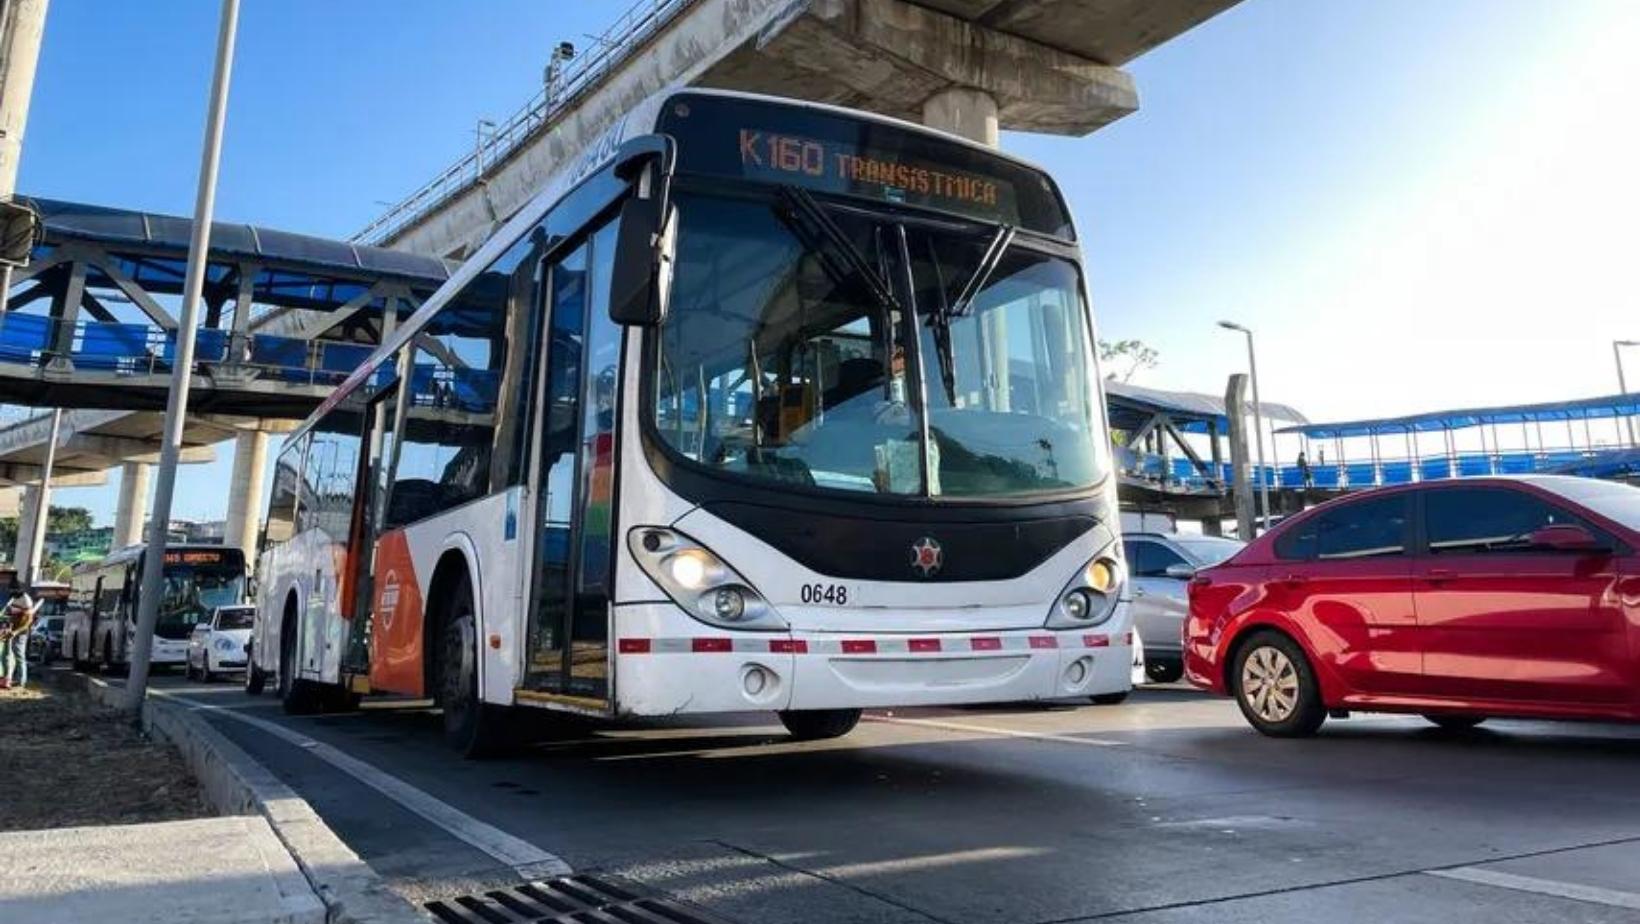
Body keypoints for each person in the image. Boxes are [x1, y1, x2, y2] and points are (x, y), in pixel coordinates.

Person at [1, 589, 40, 690]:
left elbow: (26, 624)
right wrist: (8, 628)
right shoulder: (14, 601)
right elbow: (10, 616)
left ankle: (21, 682)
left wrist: (15, 632)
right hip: (12, 631)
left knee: (19, 656)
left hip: (21, 633)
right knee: (6, 655)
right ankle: (7, 679)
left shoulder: (27, 604)